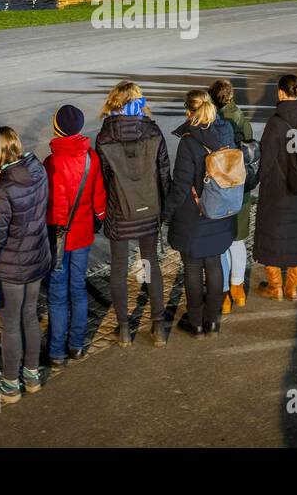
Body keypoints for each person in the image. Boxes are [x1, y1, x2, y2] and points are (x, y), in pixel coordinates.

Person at [95, 81, 170, 347]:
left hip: (120, 209)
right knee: (150, 261)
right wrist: (165, 206)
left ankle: (125, 329)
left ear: (113, 102)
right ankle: (158, 325)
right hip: (149, 206)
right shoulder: (152, 130)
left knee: (118, 266)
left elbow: (103, 178)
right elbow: (163, 172)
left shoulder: (104, 135)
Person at [163, 90, 238, 335]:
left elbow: (181, 185)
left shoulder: (189, 141)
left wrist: (166, 214)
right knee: (214, 262)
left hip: (195, 215)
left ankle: (195, 322)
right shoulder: (226, 131)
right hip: (221, 209)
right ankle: (213, 320)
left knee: (193, 268)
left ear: (189, 112)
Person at [0, 126, 51, 403]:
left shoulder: (4, 188)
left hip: (12, 265)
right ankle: (32, 374)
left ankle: (11, 382)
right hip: (36, 254)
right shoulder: (38, 171)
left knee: (10, 325)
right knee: (29, 316)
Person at [43, 105, 106, 368]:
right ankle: (76, 344)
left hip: (58, 237)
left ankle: (56, 350)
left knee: (57, 293)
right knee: (78, 288)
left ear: (57, 128)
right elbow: (99, 196)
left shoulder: (52, 162)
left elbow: (53, 204)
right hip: (81, 235)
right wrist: (99, 218)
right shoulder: (91, 157)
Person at [254, 74, 297, 300]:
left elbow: (265, 161)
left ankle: (275, 287)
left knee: (272, 238)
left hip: (279, 191)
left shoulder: (276, 123)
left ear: (280, 92)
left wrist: (253, 182)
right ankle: (292, 288)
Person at [210, 79, 254, 312]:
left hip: (222, 189)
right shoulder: (241, 119)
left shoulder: (216, 122)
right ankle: (238, 289)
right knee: (238, 240)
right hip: (241, 186)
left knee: (221, 244)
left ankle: (225, 295)